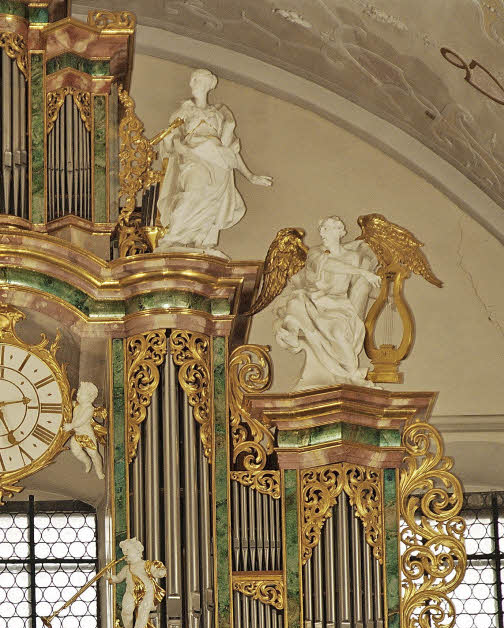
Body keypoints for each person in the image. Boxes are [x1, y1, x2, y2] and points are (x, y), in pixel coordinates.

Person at [152, 68, 271, 256]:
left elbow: (230, 149)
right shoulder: (182, 111)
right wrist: (178, 146)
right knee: (193, 193)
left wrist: (250, 175)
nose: (192, 84)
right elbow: (173, 138)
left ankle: (202, 241)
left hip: (218, 160)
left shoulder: (221, 113)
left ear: (208, 85)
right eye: (192, 80)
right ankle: (174, 237)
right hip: (193, 156)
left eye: (196, 80)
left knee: (213, 201)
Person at [272, 216, 382, 389]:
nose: (321, 232)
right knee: (297, 301)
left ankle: (351, 373)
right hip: (315, 302)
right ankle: (292, 333)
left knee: (339, 333)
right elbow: (330, 265)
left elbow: (358, 287)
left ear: (340, 232)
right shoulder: (315, 253)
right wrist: (362, 272)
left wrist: (383, 291)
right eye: (322, 229)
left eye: (326, 228)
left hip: (338, 306)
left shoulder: (353, 257)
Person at [108, 537, 166, 628]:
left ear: (137, 550)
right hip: (130, 592)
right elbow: (118, 578)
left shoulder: (145, 564)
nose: (124, 553)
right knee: (126, 610)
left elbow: (155, 572)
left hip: (147, 592)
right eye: (123, 551)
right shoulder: (126, 568)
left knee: (143, 610)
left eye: (127, 550)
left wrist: (160, 572)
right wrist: (110, 577)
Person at [62, 382, 104, 478]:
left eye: (81, 393)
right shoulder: (77, 405)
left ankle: (99, 471)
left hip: (87, 436)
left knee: (94, 454)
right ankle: (87, 462)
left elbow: (81, 420)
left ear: (90, 398)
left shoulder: (89, 409)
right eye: (78, 393)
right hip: (77, 436)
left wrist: (71, 426)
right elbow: (68, 404)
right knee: (76, 451)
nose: (78, 394)